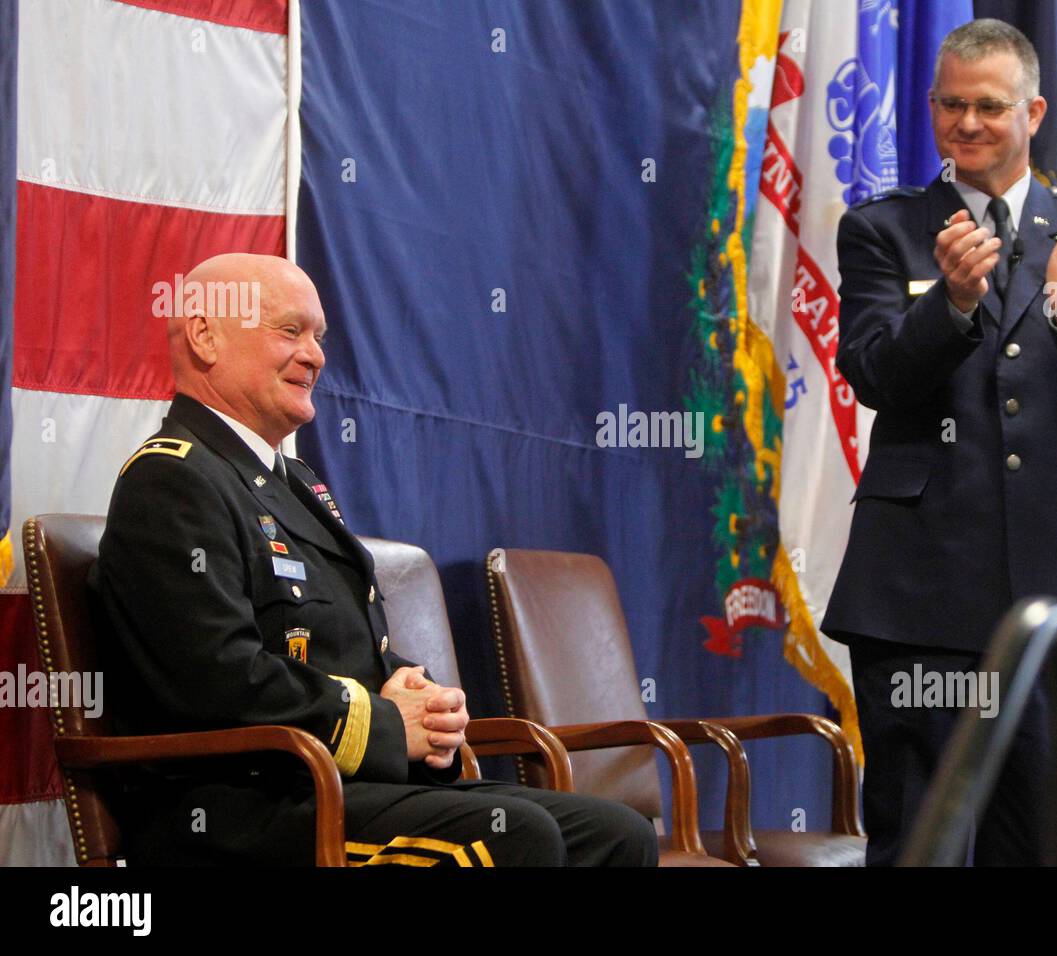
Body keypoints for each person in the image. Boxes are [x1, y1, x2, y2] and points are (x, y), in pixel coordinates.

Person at [90, 252, 658, 867]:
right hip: (236, 810)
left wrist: (414, 690)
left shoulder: (293, 483)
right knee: (514, 838)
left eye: (318, 336)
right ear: (205, 336)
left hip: (333, 785)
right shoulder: (171, 480)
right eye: (291, 330)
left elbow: (342, 644)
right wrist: (388, 726)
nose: (315, 355)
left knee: (617, 833)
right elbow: (217, 680)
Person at [822, 19, 1057, 865]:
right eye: (951, 104)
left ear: (1034, 112)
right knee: (920, 840)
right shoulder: (887, 230)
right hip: (918, 596)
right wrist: (944, 307)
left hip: (1056, 591)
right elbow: (872, 375)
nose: (968, 123)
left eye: (989, 106)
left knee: (1038, 847)